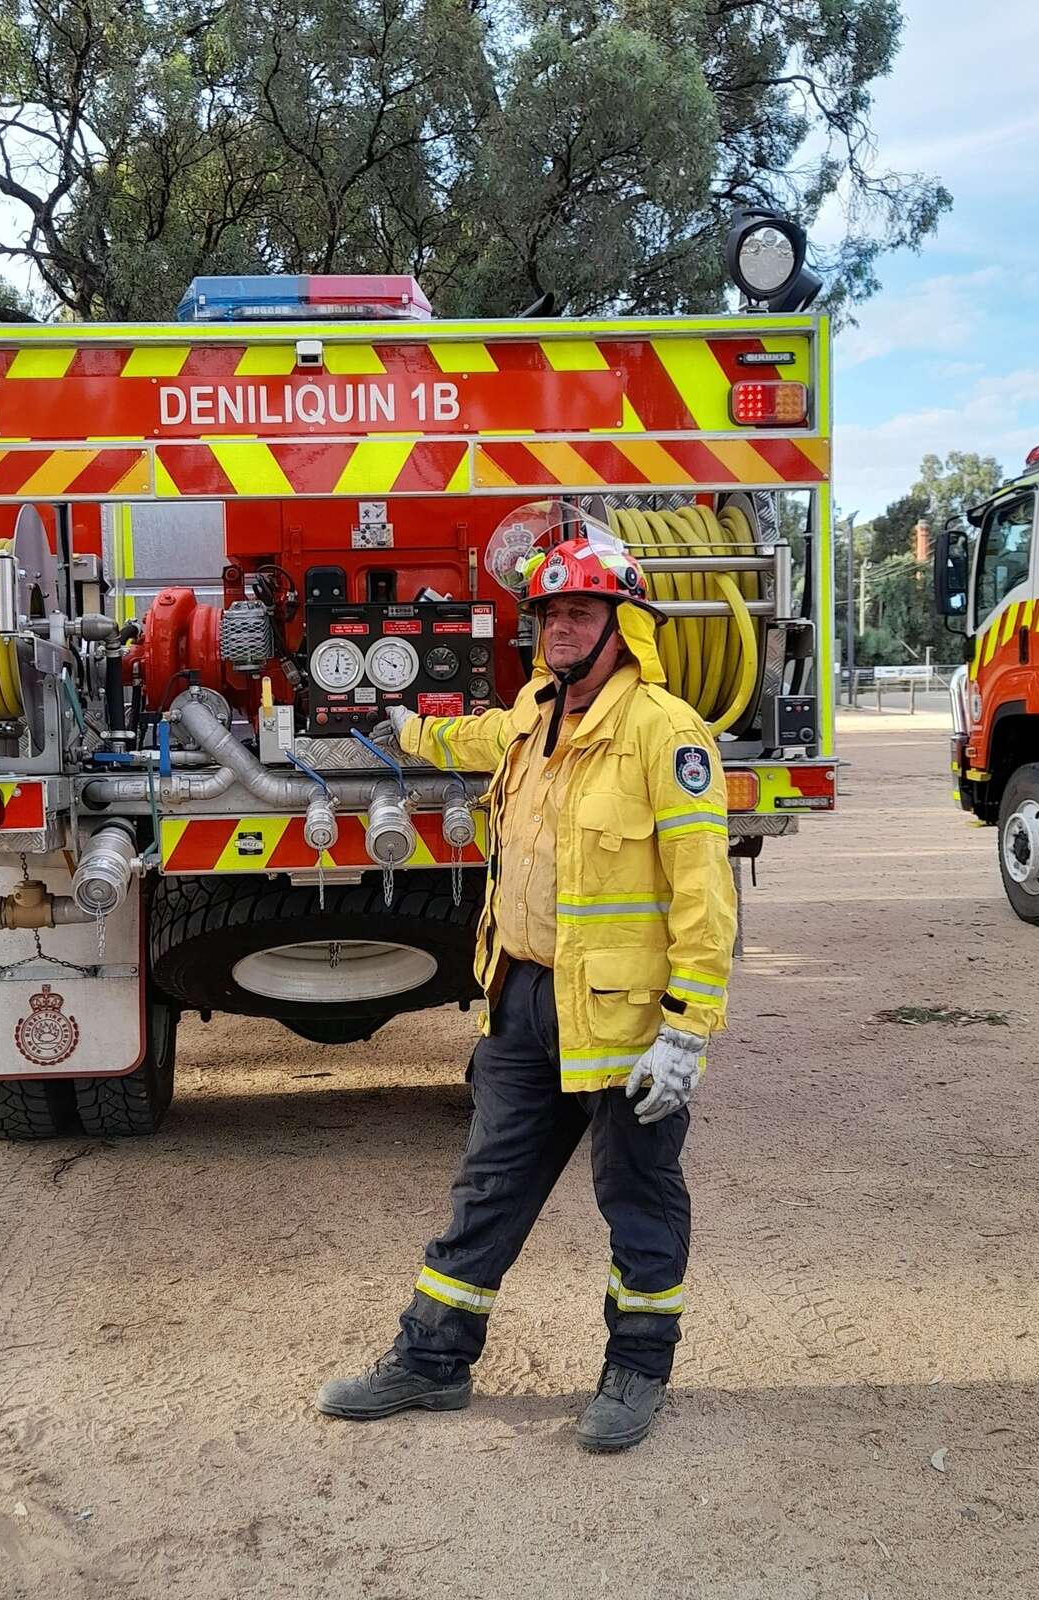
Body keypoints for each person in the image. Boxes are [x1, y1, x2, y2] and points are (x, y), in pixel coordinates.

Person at [316, 512, 738, 1452]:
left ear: (623, 624)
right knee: (488, 1187)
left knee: (637, 1196)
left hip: (626, 1020)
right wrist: (407, 729)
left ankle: (637, 1369)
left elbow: (705, 900)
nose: (560, 629)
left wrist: (686, 1030)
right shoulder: (535, 716)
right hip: (521, 1001)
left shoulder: (665, 735)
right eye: (548, 612)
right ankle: (430, 1362)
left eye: (580, 612)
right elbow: (473, 740)